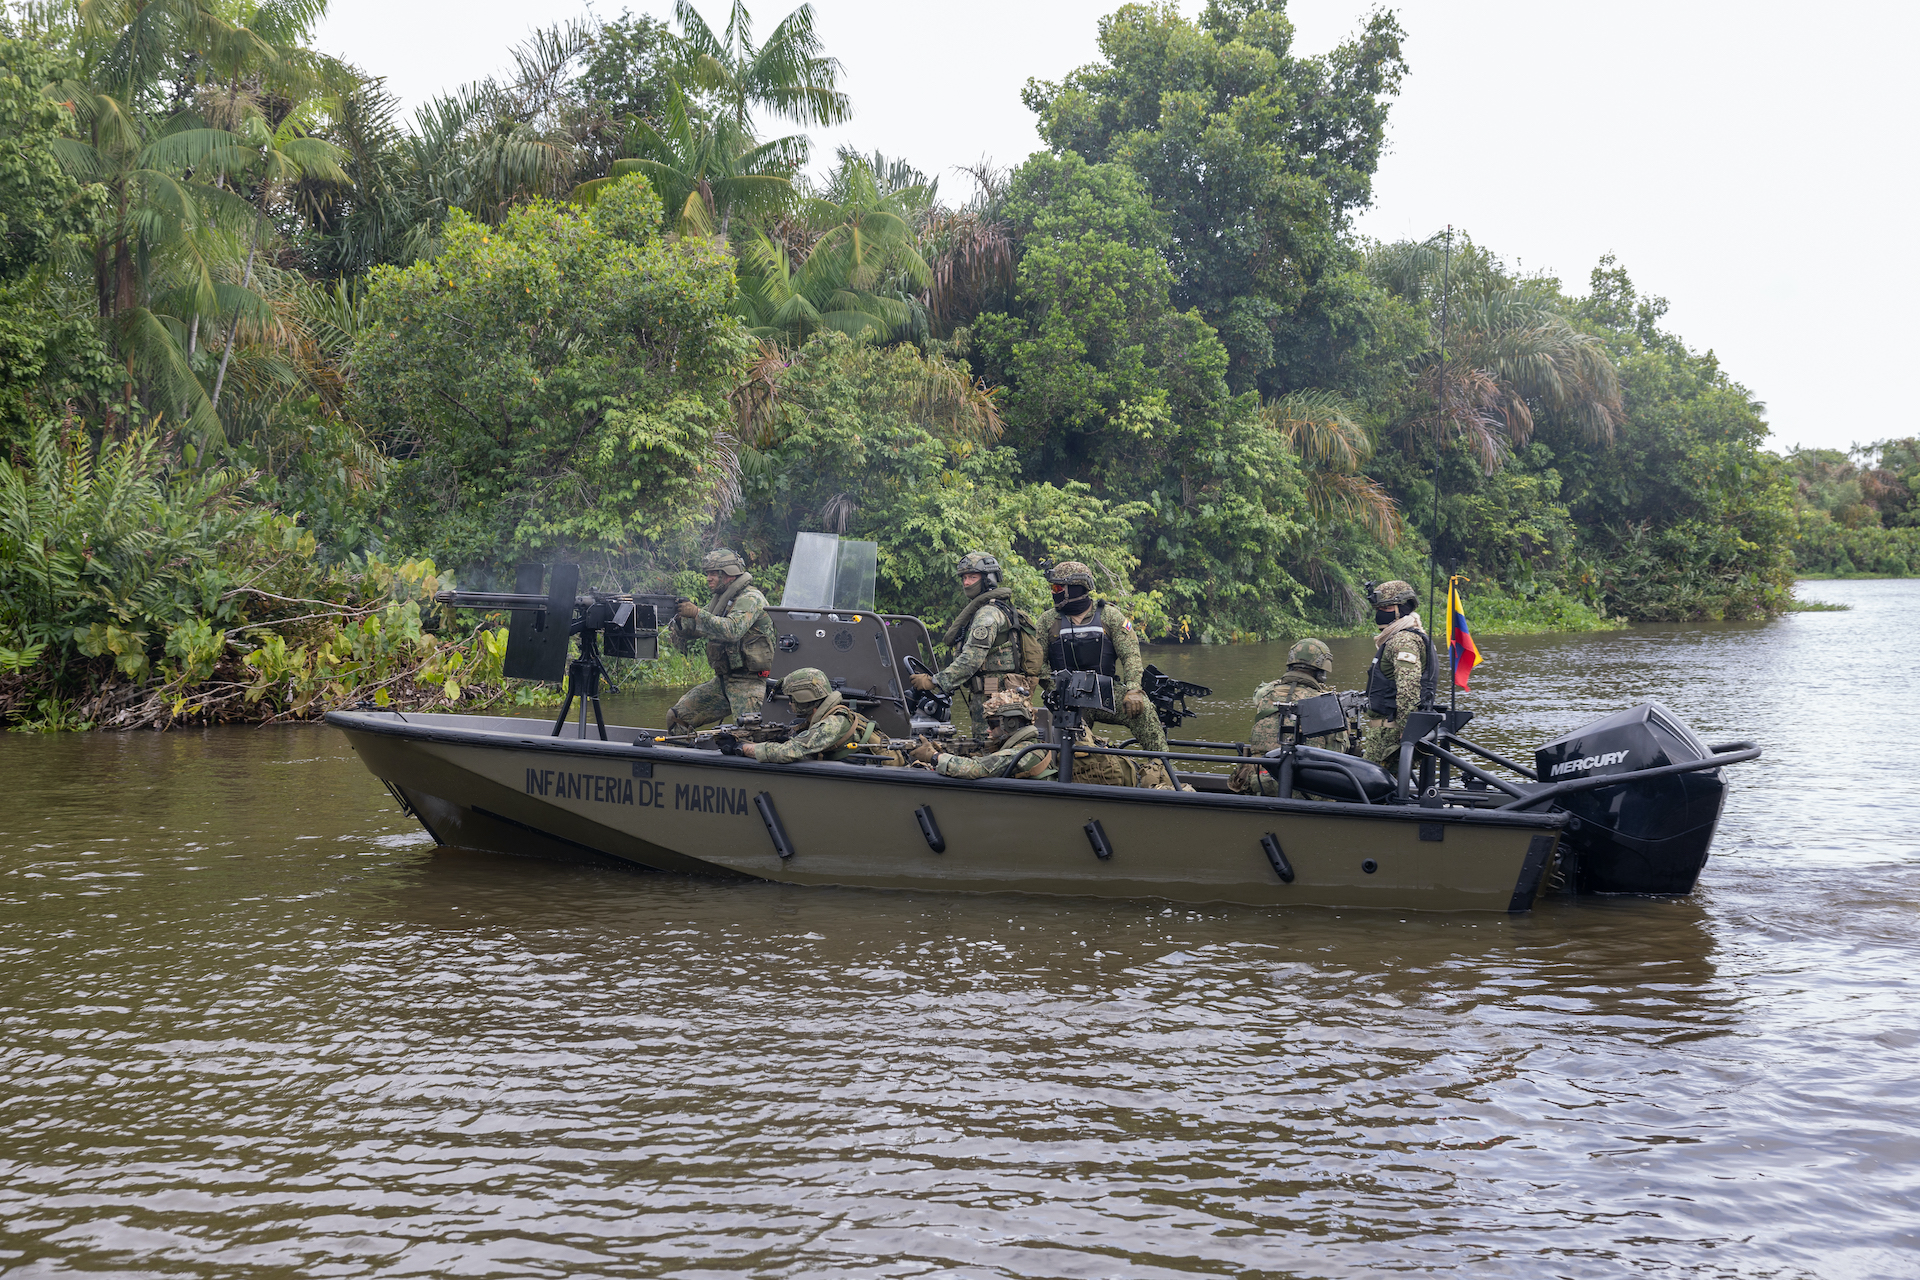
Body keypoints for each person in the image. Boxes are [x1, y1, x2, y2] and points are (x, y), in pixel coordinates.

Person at [1036, 560, 1169, 753]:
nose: (1053, 592)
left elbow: (1130, 655)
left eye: (1057, 587)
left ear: (1075, 587)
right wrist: (1055, 688)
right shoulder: (1048, 620)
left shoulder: (1110, 616)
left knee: (1144, 710)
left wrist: (1133, 690)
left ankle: (1163, 766)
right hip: (1065, 696)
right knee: (1061, 747)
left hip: (1104, 693)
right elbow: (1038, 663)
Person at [909, 550, 1021, 737]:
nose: (966, 582)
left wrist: (934, 681)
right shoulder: (989, 609)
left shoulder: (988, 614)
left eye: (972, 577)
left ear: (988, 578)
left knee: (988, 747)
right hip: (991, 696)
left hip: (995, 699)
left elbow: (971, 660)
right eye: (964, 578)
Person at [665, 548, 777, 732]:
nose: (708, 578)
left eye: (712, 573)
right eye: (707, 573)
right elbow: (694, 629)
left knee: (745, 736)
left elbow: (732, 630)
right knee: (677, 718)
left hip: (749, 683)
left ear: (728, 574)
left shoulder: (751, 598)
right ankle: (685, 759)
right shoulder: (721, 600)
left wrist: (696, 613)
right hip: (725, 681)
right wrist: (679, 619)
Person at [1230, 638, 1343, 796]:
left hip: (1259, 783)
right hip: (1303, 789)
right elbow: (1337, 753)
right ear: (1322, 671)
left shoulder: (1265, 693)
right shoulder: (1325, 703)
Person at [1358, 579, 1437, 764]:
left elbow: (1408, 687)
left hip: (1390, 736)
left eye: (1384, 609)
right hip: (1386, 734)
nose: (1379, 614)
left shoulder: (1403, 641)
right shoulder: (1400, 638)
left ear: (1400, 609)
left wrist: (1406, 730)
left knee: (1372, 788)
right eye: (1377, 609)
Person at [744, 668, 893, 764]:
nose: (790, 704)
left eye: (792, 699)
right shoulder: (833, 714)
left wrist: (743, 748)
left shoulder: (832, 723)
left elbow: (787, 752)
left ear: (805, 698)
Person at [910, 685, 1056, 779]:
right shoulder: (1028, 745)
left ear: (1011, 723)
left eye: (992, 724)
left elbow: (976, 768)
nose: (988, 730)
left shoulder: (1021, 753)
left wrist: (934, 757)